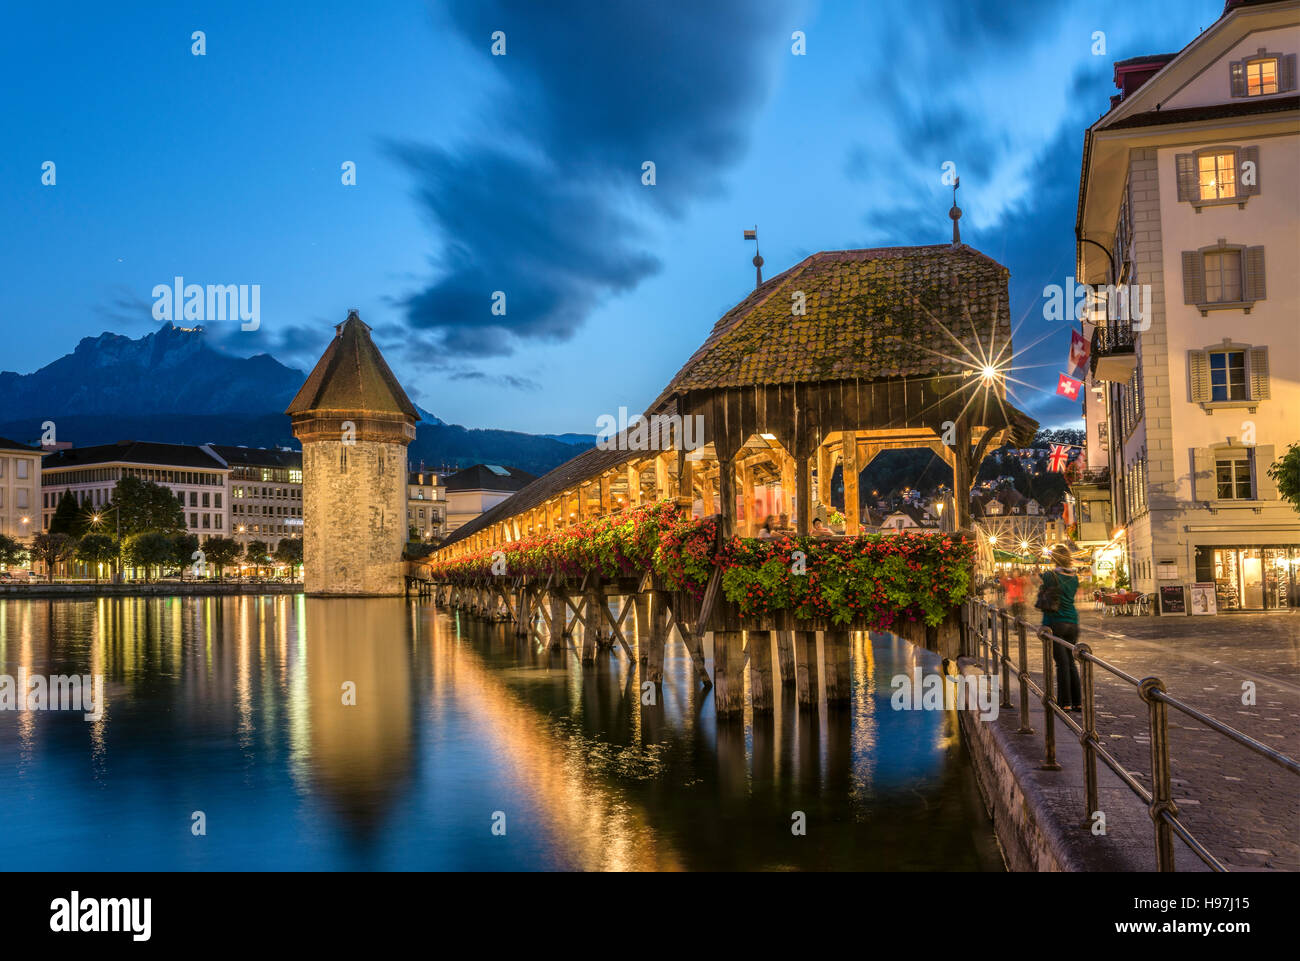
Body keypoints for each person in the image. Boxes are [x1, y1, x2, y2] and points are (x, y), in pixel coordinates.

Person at [1041, 545, 1082, 712]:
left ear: (1054, 559)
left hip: (1056, 622)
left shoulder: (1050, 576)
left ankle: (1064, 702)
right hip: (1072, 622)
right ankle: (1077, 701)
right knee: (1070, 662)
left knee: (1061, 664)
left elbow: (1041, 582)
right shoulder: (1075, 577)